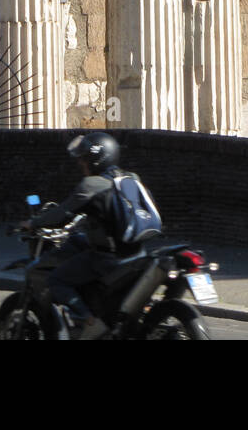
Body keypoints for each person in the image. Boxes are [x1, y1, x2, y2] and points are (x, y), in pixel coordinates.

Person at [23, 131, 144, 340]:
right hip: (137, 253)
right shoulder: (131, 178)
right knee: (78, 241)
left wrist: (32, 223)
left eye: (84, 159)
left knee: (56, 279)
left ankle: (88, 321)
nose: (81, 164)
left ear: (96, 160)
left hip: (108, 258)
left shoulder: (91, 185)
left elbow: (61, 214)